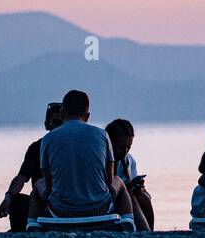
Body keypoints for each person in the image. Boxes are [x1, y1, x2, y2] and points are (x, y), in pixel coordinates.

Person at [27, 90, 140, 228]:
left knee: (39, 184)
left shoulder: (48, 139)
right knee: (119, 181)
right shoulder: (102, 135)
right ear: (87, 116)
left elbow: (49, 183)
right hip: (99, 209)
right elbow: (109, 179)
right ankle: (128, 221)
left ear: (62, 112)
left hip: (61, 212)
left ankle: (32, 224)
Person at [0, 101, 62, 232]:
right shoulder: (37, 148)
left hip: (69, 202)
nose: (59, 127)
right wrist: (9, 196)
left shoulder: (74, 148)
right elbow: (22, 177)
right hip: (42, 203)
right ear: (47, 125)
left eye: (62, 123)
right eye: (56, 122)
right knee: (17, 201)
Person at [106, 118, 154, 230]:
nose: (125, 151)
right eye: (120, 147)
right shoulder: (100, 160)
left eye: (128, 148)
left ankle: (150, 232)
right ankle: (144, 232)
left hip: (124, 200)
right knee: (130, 196)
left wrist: (138, 188)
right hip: (106, 201)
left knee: (143, 197)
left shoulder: (128, 161)